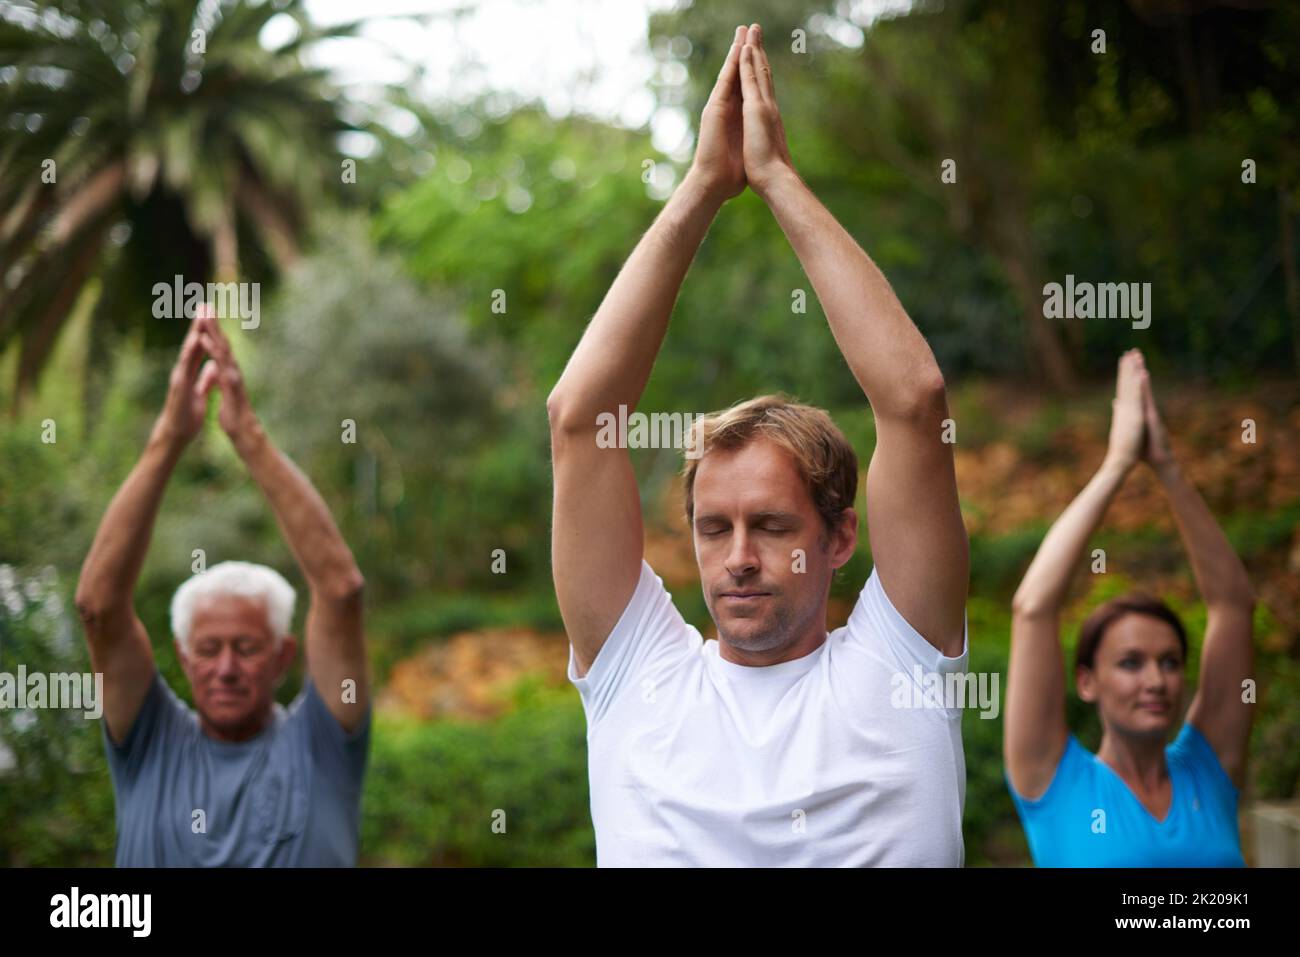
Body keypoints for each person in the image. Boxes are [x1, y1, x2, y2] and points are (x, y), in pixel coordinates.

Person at [547, 23, 970, 866]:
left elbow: (914, 400)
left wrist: (774, 178)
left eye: (773, 526)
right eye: (715, 527)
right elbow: (579, 417)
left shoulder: (901, 658)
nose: (738, 556)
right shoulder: (639, 674)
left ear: (839, 536)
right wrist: (703, 184)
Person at [74, 308, 371, 866]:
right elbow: (99, 607)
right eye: (208, 650)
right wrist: (169, 436)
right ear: (184, 659)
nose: (227, 668)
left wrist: (248, 436)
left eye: (247, 647)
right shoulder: (149, 743)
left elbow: (340, 592)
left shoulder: (323, 745)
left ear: (284, 654)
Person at [1004, 349, 1255, 867]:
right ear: (1087, 681)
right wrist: (1116, 465)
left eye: (1168, 662)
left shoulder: (1210, 770)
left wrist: (1166, 466)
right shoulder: (1052, 779)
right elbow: (1033, 609)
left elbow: (1232, 606)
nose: (1156, 680)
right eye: (1130, 662)